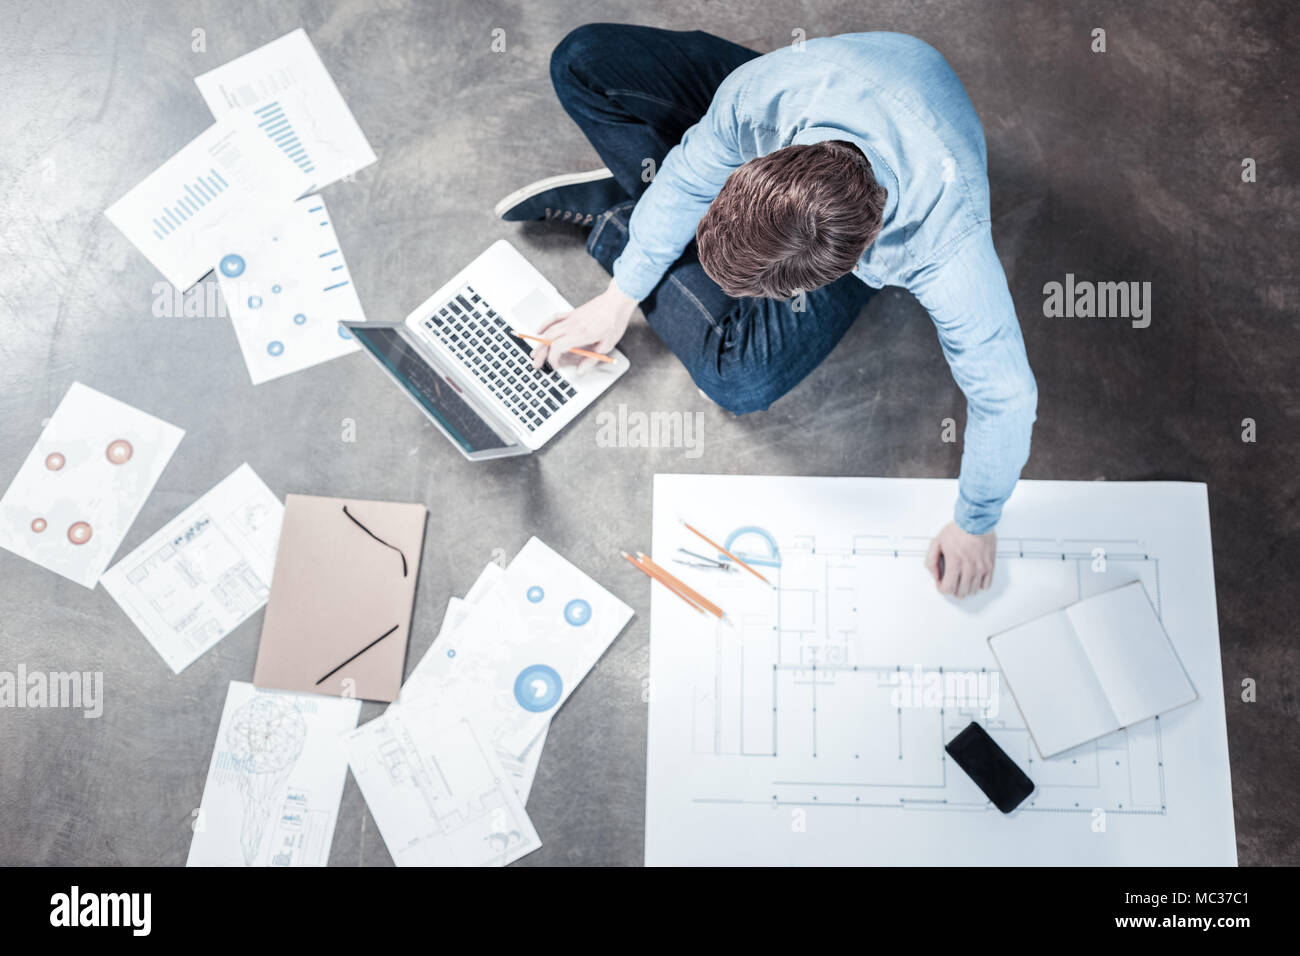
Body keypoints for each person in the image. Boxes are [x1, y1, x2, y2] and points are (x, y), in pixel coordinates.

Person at [495, 25, 1037, 598]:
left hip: (905, 173)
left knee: (740, 381)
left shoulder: (948, 248)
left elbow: (1006, 397)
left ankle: (620, 215)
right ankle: (640, 210)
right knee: (582, 60)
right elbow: (685, 183)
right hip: (821, 87)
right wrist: (617, 299)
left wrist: (976, 523)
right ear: (762, 164)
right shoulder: (758, 99)